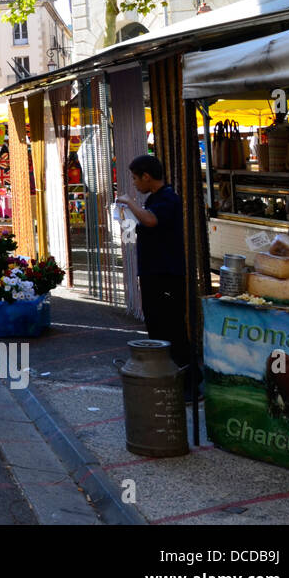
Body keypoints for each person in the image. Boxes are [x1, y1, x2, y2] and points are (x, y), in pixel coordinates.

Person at [115, 154, 195, 399]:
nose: (135, 183)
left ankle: (191, 385)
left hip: (166, 275)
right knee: (158, 329)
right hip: (153, 273)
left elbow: (150, 221)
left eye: (135, 178)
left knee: (172, 329)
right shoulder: (154, 199)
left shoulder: (168, 198)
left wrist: (129, 202)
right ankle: (167, 379)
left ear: (147, 177)